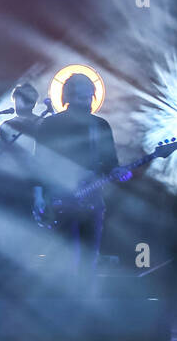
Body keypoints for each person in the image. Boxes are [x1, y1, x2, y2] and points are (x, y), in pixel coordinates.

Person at [33, 74, 119, 280]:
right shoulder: (50, 124)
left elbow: (111, 166)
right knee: (58, 258)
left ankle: (84, 302)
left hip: (91, 200)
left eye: (89, 96)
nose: (87, 101)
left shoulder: (100, 125)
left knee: (88, 259)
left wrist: (119, 173)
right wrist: (38, 197)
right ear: (69, 96)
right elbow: (39, 164)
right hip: (59, 199)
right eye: (82, 96)